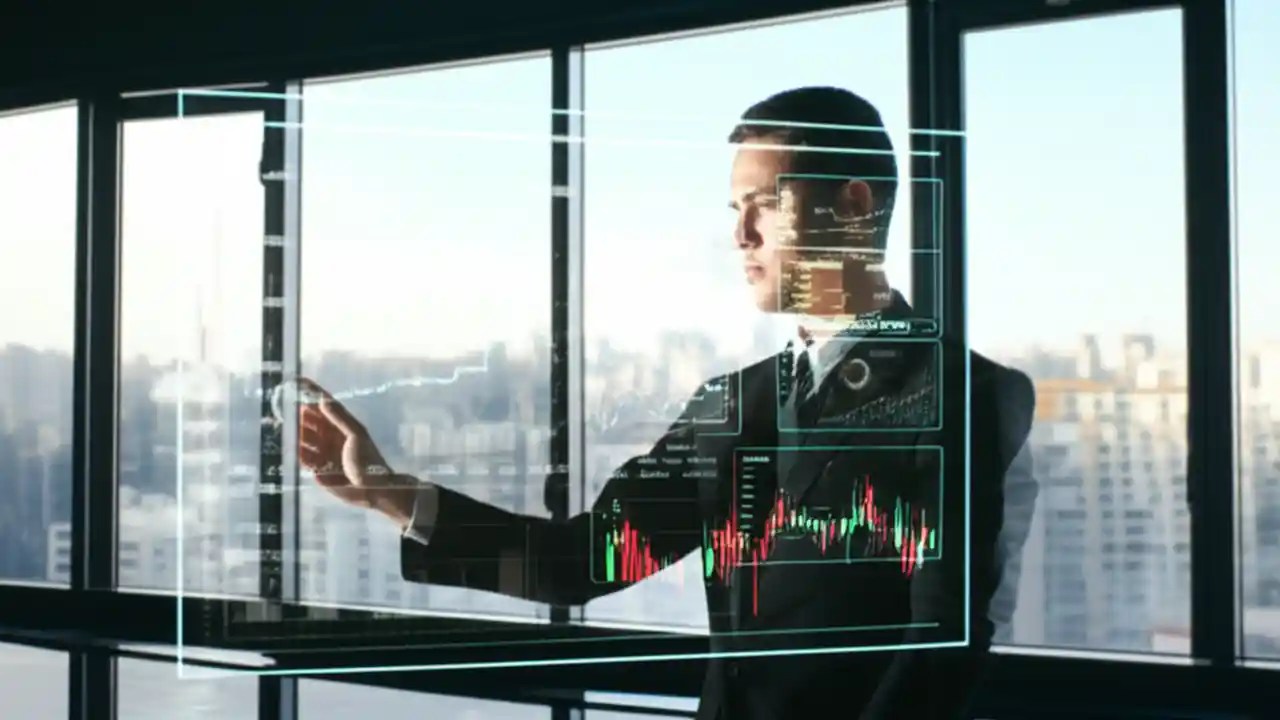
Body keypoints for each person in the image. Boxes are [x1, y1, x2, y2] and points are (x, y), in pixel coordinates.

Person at [294, 86, 1038, 720]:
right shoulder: (734, 403)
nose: (739, 235)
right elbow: (581, 561)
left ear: (850, 203)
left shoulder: (966, 396)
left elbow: (938, 649)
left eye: (765, 205)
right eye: (733, 208)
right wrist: (390, 495)